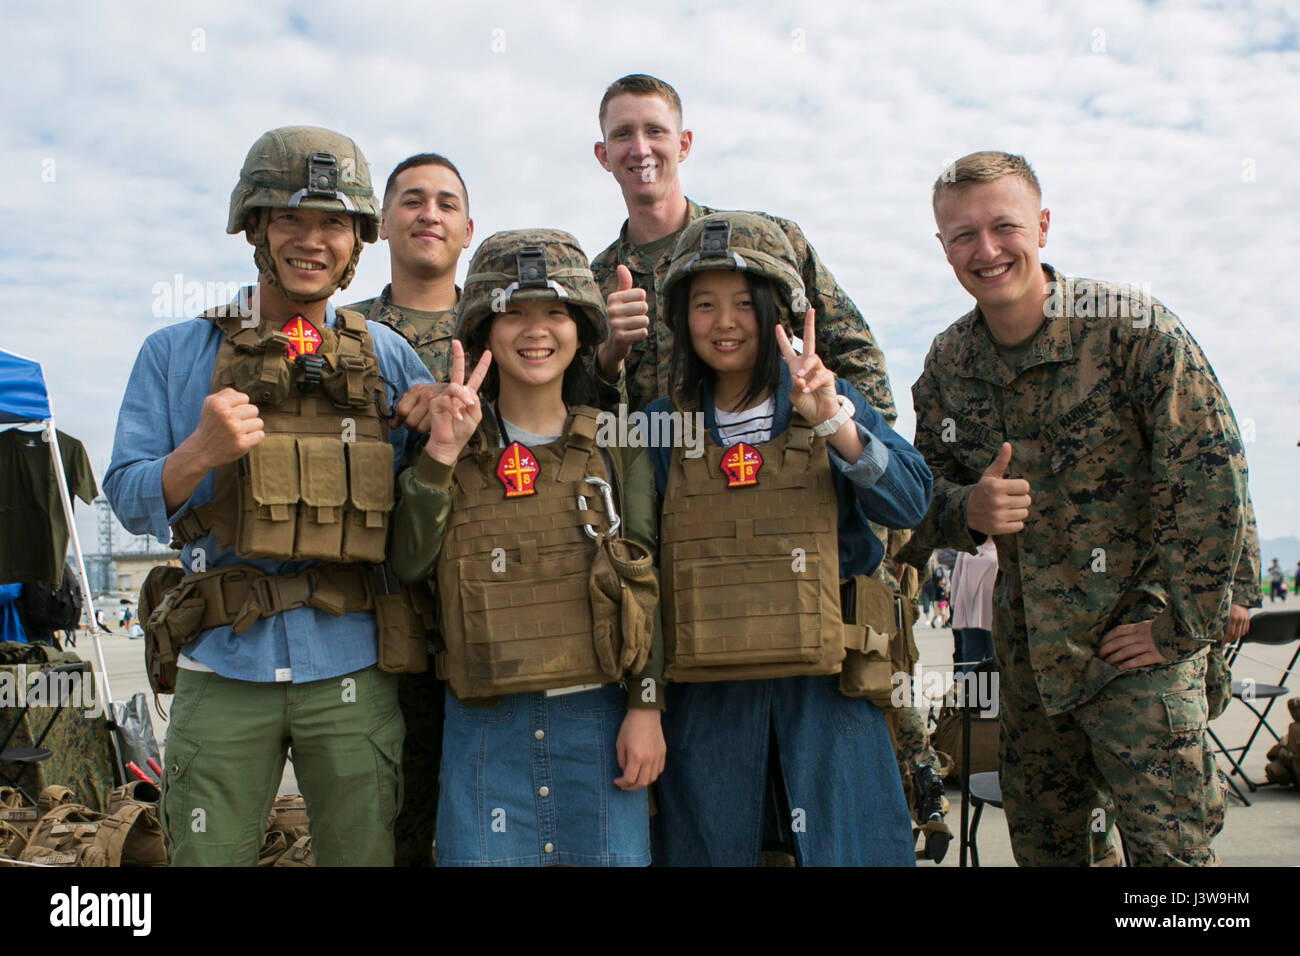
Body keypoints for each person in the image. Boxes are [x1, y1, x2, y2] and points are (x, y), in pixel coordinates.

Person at [901, 151, 1252, 866]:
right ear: (943, 247)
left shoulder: (1131, 332)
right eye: (963, 235)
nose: (987, 250)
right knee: (1050, 852)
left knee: (1171, 859)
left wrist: (1181, 627)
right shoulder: (950, 364)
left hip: (1137, 648)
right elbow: (915, 497)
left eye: (1004, 226)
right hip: (1031, 664)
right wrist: (968, 507)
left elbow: (1212, 477)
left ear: (1044, 225)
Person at [104, 126, 433, 866]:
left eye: (333, 223)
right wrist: (196, 456)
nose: (311, 240)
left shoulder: (386, 355)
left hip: (349, 662)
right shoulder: (174, 352)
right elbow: (125, 496)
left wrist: (437, 439)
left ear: (356, 241)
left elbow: (422, 516)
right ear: (254, 226)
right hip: (223, 662)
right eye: (291, 217)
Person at [645, 211, 932, 866]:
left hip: (829, 699)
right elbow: (638, 564)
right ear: (681, 318)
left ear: (776, 310)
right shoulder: (661, 426)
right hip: (710, 704)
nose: (725, 323)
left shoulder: (829, 398)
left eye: (745, 303)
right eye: (705, 304)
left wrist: (834, 422)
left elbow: (911, 498)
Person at [389, 229, 665, 866]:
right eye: (513, 311)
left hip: (598, 718)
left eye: (555, 312)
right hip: (485, 723)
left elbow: (650, 584)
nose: (535, 330)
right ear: (485, 328)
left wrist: (646, 707)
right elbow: (408, 563)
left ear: (582, 328)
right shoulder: (447, 439)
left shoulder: (617, 444)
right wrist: (439, 458)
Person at [589, 73, 895, 421]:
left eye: (655, 131)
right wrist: (608, 358)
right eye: (623, 134)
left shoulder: (768, 243)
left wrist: (856, 450)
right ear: (603, 155)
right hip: (652, 469)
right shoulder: (593, 285)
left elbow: (856, 356)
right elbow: (573, 416)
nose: (640, 148)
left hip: (761, 468)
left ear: (684, 144)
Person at [344, 152, 474, 868]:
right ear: (384, 223)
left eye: (446, 203)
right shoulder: (343, 332)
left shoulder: (503, 326)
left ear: (467, 228)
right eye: (413, 200)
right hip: (376, 618)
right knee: (388, 816)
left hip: (482, 606)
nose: (430, 214)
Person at [950, 539, 997, 671]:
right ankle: (972, 690)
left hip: (992, 608)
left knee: (994, 655)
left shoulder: (1001, 547)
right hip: (968, 607)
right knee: (970, 655)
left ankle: (994, 690)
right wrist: (954, 602)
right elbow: (957, 574)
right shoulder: (967, 544)